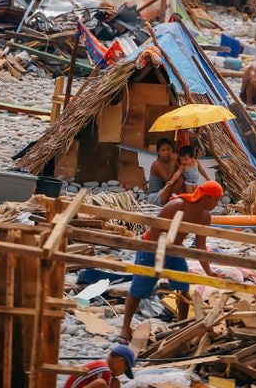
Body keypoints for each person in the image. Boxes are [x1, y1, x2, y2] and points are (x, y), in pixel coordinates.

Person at [118, 181, 224, 344]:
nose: (217, 204)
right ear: (207, 197)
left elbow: (200, 246)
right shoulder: (177, 205)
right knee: (139, 289)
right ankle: (125, 327)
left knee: (183, 288)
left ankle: (181, 326)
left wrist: (209, 271)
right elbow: (155, 230)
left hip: (175, 250)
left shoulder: (205, 217)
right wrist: (160, 252)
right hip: (151, 248)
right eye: (216, 199)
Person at [63, 344, 135, 388]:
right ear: (120, 361)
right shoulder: (104, 370)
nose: (122, 373)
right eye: (124, 369)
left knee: (115, 382)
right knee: (101, 383)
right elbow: (99, 385)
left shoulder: (103, 365)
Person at [145, 138, 178, 206]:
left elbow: (181, 172)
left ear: (172, 151)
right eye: (163, 150)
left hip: (165, 193)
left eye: (169, 149)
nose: (166, 152)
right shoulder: (156, 165)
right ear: (158, 152)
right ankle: (171, 202)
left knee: (181, 178)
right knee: (170, 183)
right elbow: (168, 180)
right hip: (155, 197)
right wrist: (173, 162)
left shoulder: (172, 161)